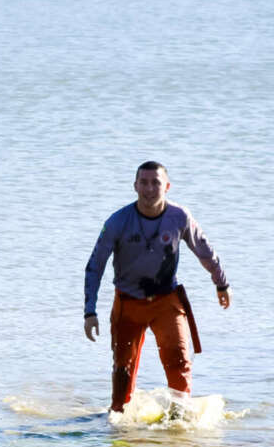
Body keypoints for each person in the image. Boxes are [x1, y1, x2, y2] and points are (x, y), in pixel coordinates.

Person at [83, 162, 232, 412]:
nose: (150, 188)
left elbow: (204, 251)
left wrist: (222, 283)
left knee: (180, 361)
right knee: (122, 370)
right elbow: (95, 266)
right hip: (128, 302)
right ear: (135, 186)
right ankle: (119, 426)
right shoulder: (118, 222)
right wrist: (90, 311)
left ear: (167, 186)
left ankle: (179, 422)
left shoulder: (179, 217)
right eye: (144, 182)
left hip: (166, 301)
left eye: (156, 183)